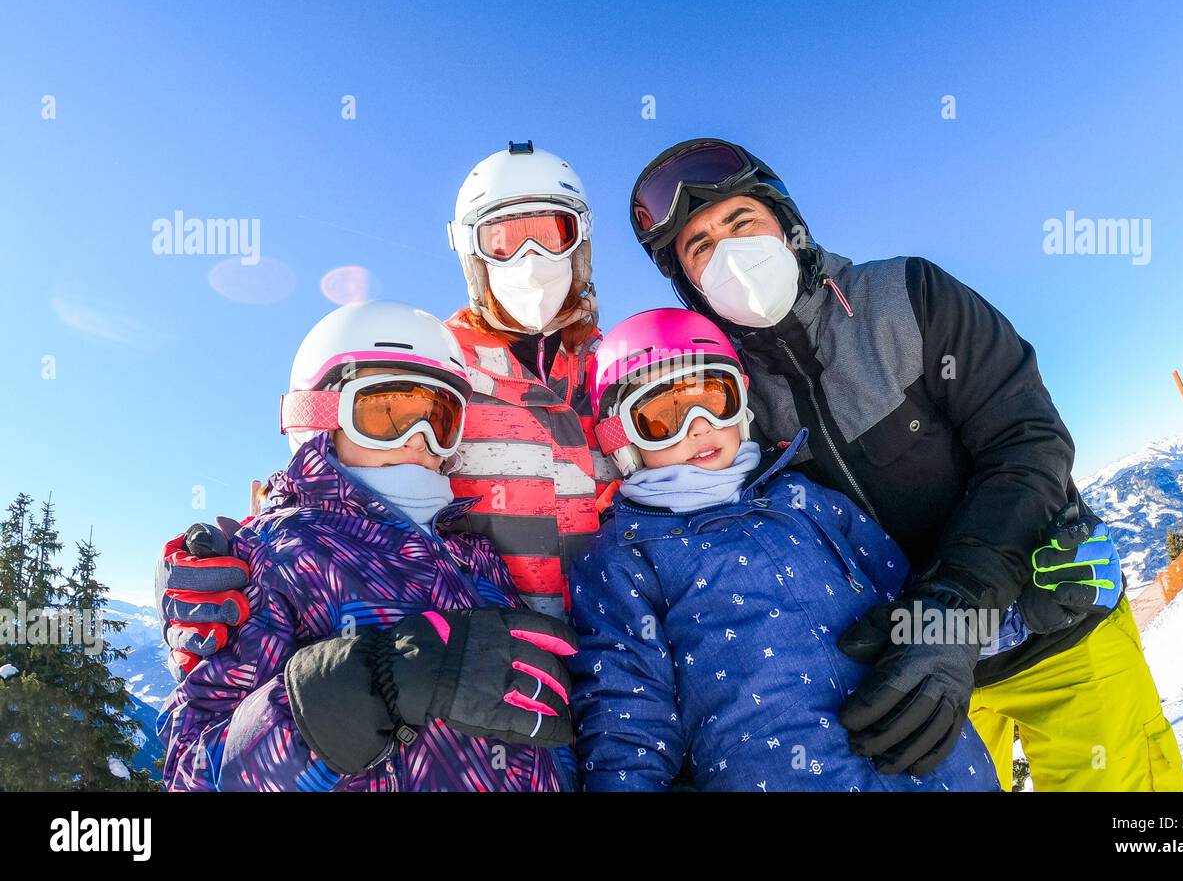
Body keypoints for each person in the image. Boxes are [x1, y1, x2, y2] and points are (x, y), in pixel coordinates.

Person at [627, 138, 1183, 791]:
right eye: (701, 248)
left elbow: (1026, 440)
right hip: (920, 687)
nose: (729, 255)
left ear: (787, 222)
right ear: (689, 285)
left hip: (1052, 625)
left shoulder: (906, 297)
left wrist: (956, 614)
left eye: (740, 223)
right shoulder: (729, 406)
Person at [156, 141, 619, 678]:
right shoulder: (430, 364)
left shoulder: (618, 373)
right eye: (505, 239)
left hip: (619, 680)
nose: (531, 261)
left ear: (580, 243)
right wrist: (235, 569)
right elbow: (330, 474)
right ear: (473, 254)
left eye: (551, 234)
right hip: (479, 669)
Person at [568, 308, 998, 791]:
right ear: (621, 439)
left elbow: (919, 601)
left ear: (742, 403)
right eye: (662, 417)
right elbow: (627, 717)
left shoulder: (805, 498)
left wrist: (1004, 620)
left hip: (938, 763)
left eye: (714, 397)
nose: (698, 426)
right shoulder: (622, 557)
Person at [160, 301, 578, 791]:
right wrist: (362, 691)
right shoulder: (279, 557)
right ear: (318, 418)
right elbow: (198, 773)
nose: (419, 439)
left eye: (438, 419)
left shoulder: (478, 557)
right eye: (387, 413)